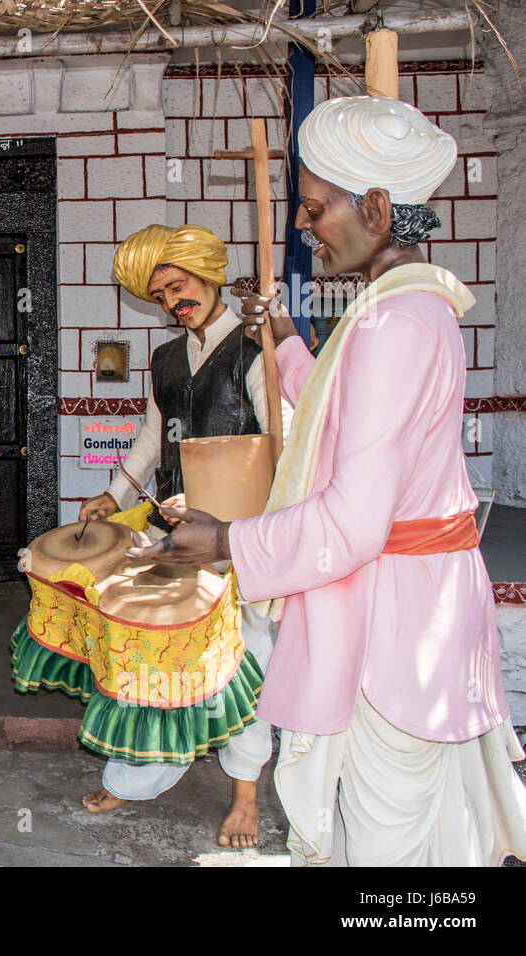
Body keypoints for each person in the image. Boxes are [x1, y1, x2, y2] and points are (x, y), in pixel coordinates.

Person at [130, 96, 526, 865]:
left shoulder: (392, 325)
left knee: (387, 842)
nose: (305, 226)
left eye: (315, 208)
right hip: (402, 600)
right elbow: (337, 420)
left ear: (376, 207)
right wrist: (283, 346)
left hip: (397, 623)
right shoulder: (406, 310)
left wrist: (227, 539)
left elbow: (352, 521)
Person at [55, 224, 286, 848]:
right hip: (176, 535)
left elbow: (284, 445)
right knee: (158, 660)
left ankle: (245, 796)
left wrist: (266, 530)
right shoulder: (163, 359)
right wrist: (115, 494)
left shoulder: (255, 347)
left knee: (244, 667)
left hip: (240, 538)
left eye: (177, 287)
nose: (171, 302)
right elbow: (153, 442)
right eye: (159, 295)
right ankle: (135, 779)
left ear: (209, 276)